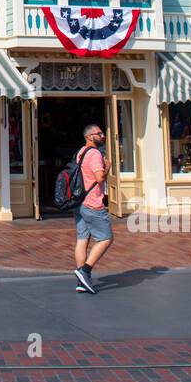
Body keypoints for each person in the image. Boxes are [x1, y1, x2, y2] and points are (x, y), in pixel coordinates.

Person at [68, 124, 112, 293]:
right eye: (98, 133)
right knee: (106, 238)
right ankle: (85, 271)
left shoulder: (81, 152)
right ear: (89, 136)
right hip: (92, 203)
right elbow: (99, 177)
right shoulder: (94, 154)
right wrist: (107, 166)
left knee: (82, 239)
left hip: (80, 203)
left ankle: (82, 281)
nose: (103, 135)